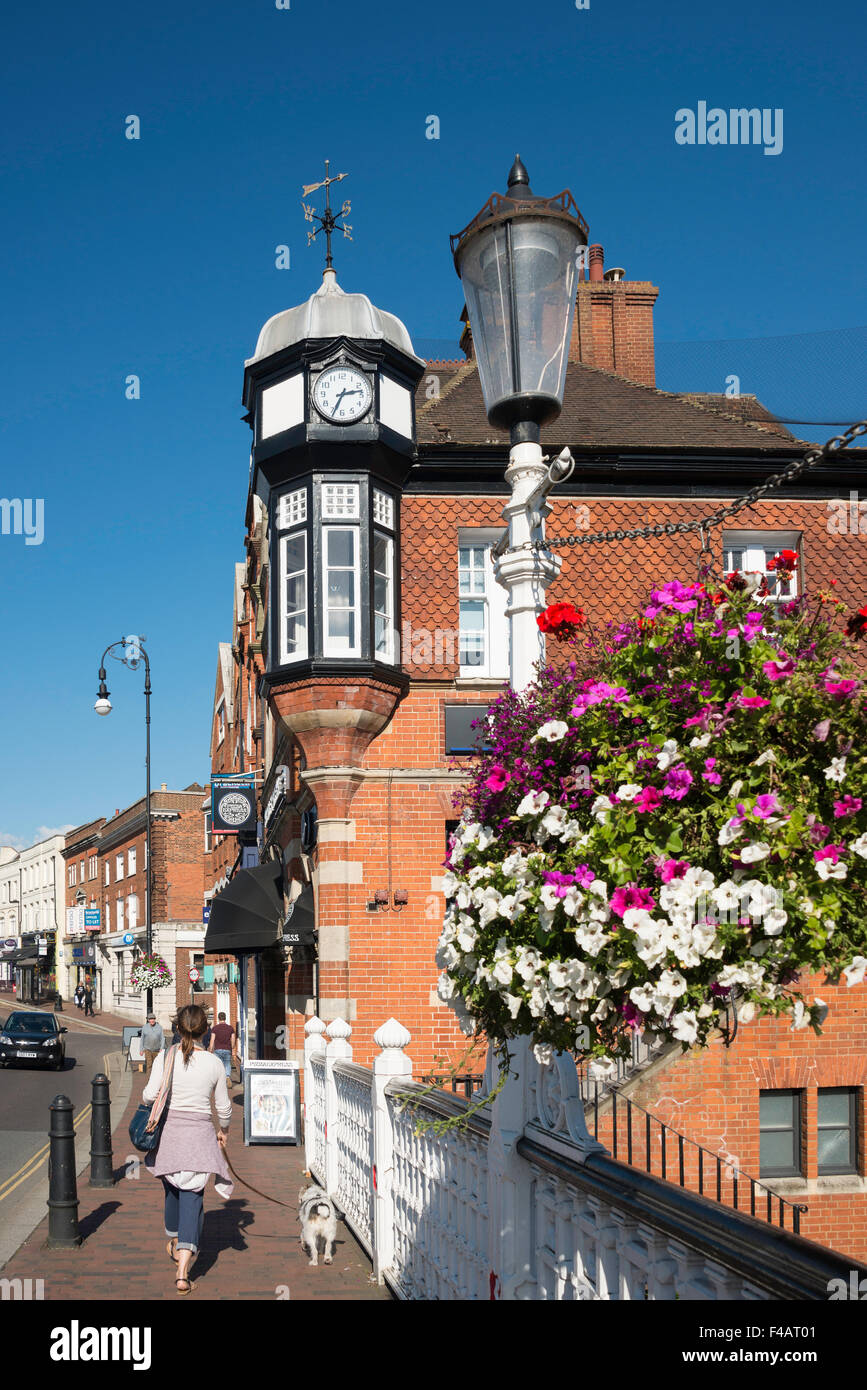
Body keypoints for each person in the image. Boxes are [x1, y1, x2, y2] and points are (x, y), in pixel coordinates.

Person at [142, 1004, 233, 1295]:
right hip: (199, 1137)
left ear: (178, 1028)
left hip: (170, 1137)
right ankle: (182, 1265)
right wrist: (224, 1131)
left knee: (172, 1190)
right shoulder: (214, 1064)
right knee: (193, 1196)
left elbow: (147, 1095)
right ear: (205, 1030)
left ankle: (178, 1255)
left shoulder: (167, 1058)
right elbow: (224, 1108)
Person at [208, 1013, 237, 1087]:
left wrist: (210, 1049)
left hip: (217, 1049)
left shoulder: (215, 1028)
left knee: (218, 1065)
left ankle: (218, 1080)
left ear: (218, 1018)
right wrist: (233, 1047)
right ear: (225, 1018)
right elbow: (233, 1040)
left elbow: (212, 1040)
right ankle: (227, 1077)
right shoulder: (230, 1028)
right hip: (227, 1049)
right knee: (227, 1064)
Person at [141, 1013, 164, 1080]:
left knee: (156, 1066)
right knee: (149, 1065)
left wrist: (161, 1048)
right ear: (148, 1020)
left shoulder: (159, 1027)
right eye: (150, 1019)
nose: (152, 1020)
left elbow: (162, 1038)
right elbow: (142, 1039)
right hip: (147, 1049)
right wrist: (141, 1049)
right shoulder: (144, 1027)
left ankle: (156, 1079)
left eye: (153, 1019)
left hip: (157, 1050)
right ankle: (149, 1080)